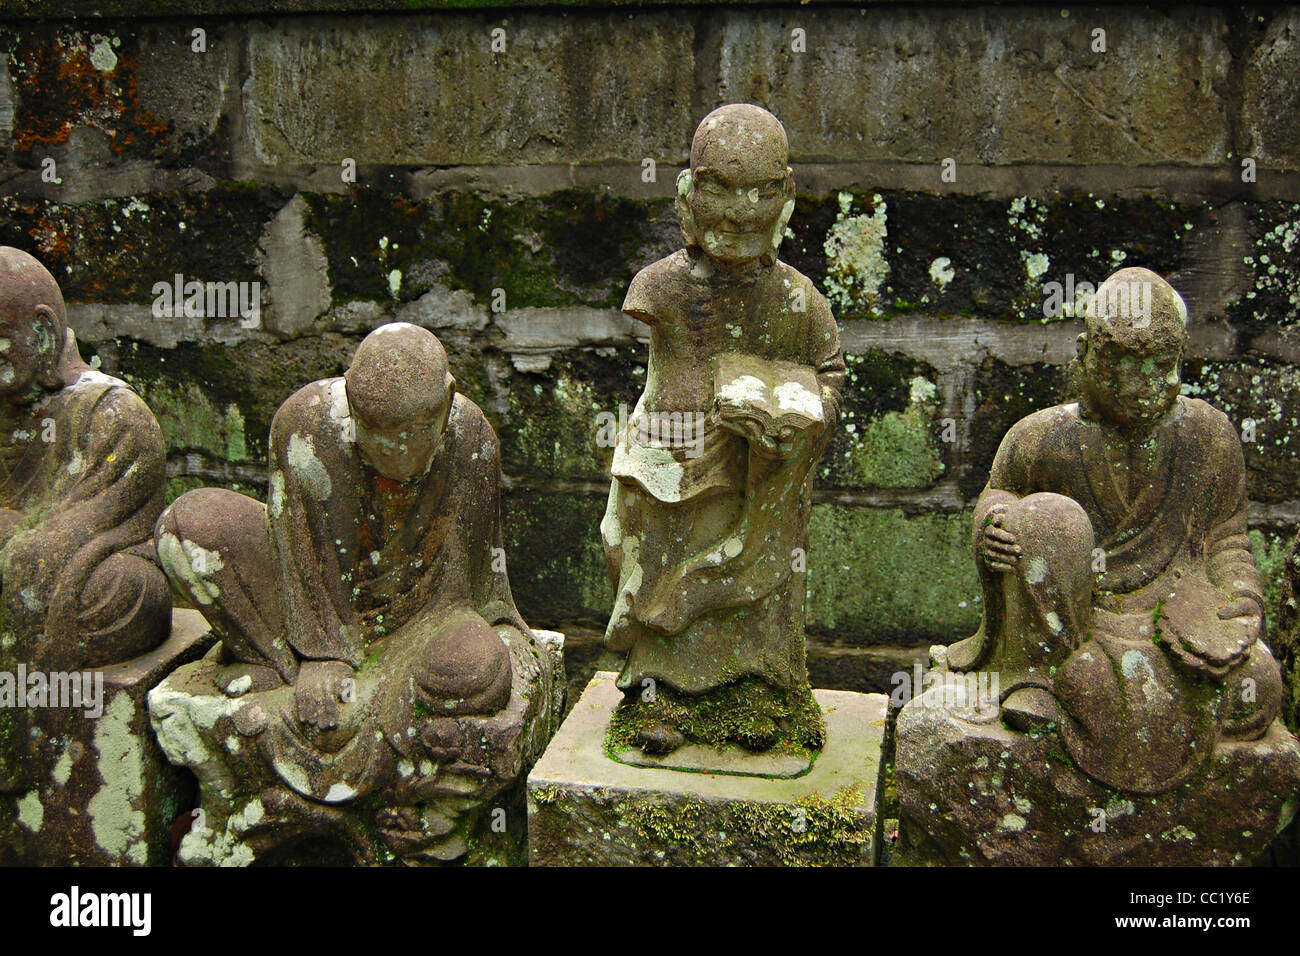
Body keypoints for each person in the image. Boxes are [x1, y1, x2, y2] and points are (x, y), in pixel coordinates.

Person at [155, 323, 534, 803]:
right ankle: (272, 661)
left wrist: (482, 637)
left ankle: (355, 705)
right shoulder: (305, 424)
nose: (395, 452)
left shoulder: (472, 438)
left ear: (448, 400)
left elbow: (467, 588)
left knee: (475, 669)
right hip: (307, 614)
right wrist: (322, 655)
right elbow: (296, 547)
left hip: (421, 621)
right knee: (186, 529)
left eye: (415, 434)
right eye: (376, 434)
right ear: (351, 404)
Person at [950, 266, 1282, 793]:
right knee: (1049, 522)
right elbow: (998, 496)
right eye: (1125, 364)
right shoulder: (1042, 436)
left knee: (1259, 682)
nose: (1143, 384)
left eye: (1160, 365)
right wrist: (994, 525)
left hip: (1176, 621)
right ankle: (1043, 673)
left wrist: (1239, 602)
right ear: (1087, 355)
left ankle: (1070, 694)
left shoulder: (1209, 435)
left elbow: (1227, 539)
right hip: (1080, 624)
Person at [601, 104, 845, 754]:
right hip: (671, 468)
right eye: (722, 191)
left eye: (761, 193)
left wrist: (796, 418)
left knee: (762, 590)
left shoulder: (798, 300)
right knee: (660, 559)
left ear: (786, 198)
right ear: (688, 194)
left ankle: (758, 695)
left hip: (759, 480)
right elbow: (653, 398)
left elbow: (830, 376)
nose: (741, 212)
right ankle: (661, 698)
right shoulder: (659, 288)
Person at [0, 246, 169, 677]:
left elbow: (81, 535)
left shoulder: (111, 413)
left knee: (129, 591)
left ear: (43, 330)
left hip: (77, 574)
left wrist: (19, 541)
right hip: (19, 569)